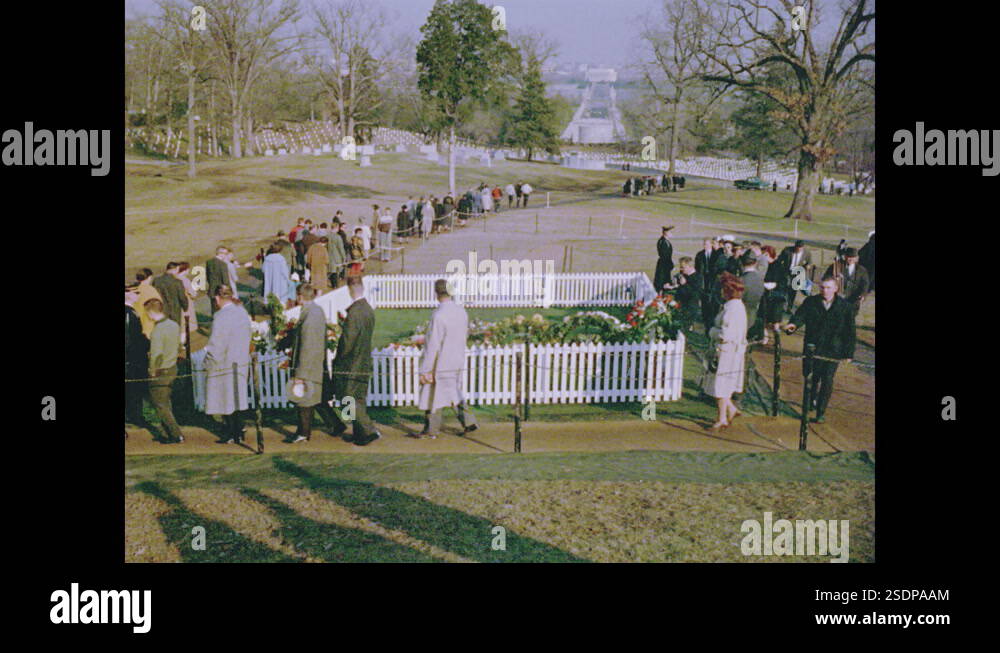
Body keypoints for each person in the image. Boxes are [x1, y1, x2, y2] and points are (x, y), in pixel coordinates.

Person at [784, 276, 856, 424]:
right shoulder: (811, 302)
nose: (825, 291)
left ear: (836, 289)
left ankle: (820, 412)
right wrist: (793, 325)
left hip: (833, 350)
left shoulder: (846, 307)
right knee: (811, 377)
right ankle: (810, 403)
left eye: (828, 288)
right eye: (822, 287)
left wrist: (848, 354)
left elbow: (850, 332)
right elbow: (800, 316)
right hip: (813, 348)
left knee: (827, 380)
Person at [415, 279, 478, 439]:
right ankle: (468, 421)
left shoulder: (438, 315)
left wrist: (425, 368)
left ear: (436, 294)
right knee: (452, 392)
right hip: (456, 358)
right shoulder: (461, 311)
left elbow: (433, 344)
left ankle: (431, 429)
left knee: (432, 394)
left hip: (440, 360)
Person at [328, 274, 381, 445]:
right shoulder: (368, 310)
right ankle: (359, 433)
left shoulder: (354, 313)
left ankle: (368, 430)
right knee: (358, 398)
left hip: (351, 363)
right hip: (364, 360)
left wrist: (338, 359)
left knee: (346, 398)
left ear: (350, 289)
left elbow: (347, 343)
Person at [287, 283, 341, 442]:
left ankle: (303, 433)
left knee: (304, 399)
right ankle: (337, 425)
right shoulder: (317, 310)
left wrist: (300, 374)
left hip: (309, 365)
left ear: (300, 297)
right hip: (318, 363)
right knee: (319, 399)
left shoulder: (310, 316)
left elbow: (307, 347)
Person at [203, 285, 251, 444]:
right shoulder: (242, 313)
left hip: (224, 363)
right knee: (237, 399)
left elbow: (217, 343)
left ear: (217, 298)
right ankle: (239, 429)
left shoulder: (221, 316)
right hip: (241, 361)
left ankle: (232, 433)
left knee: (226, 400)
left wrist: (208, 362)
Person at [702, 273, 747, 430]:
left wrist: (712, 331)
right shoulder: (734, 306)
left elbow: (726, 335)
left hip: (727, 352)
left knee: (721, 386)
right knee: (723, 384)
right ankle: (731, 410)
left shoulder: (732, 309)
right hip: (730, 351)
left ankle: (722, 418)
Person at [144, 298, 186, 443]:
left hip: (161, 371)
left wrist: (152, 371)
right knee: (167, 403)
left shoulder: (157, 331)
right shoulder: (173, 325)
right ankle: (170, 432)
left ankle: (175, 434)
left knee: (160, 405)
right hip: (173, 368)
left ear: (151, 312)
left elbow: (156, 354)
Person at [125, 284, 149, 428]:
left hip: (133, 357)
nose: (138, 296)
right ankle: (134, 415)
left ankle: (135, 414)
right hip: (131, 358)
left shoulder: (132, 311)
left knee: (134, 388)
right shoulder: (128, 313)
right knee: (132, 388)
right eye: (135, 293)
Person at [824, 247, 870, 319]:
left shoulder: (862, 270)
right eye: (849, 257)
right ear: (845, 257)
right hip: (837, 299)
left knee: (849, 319)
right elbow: (826, 279)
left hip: (853, 299)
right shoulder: (836, 267)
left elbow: (865, 285)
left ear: (857, 258)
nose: (850, 259)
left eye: (853, 257)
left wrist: (862, 295)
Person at [666, 257, 702, 330]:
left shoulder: (698, 277)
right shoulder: (683, 275)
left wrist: (684, 284)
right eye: (680, 267)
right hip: (680, 306)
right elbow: (679, 287)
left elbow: (694, 294)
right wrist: (671, 286)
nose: (681, 269)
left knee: (685, 330)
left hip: (690, 308)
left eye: (683, 267)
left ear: (690, 267)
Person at [152, 262, 189, 329]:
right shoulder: (177, 282)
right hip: (175, 311)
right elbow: (182, 298)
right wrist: (185, 308)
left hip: (161, 311)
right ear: (174, 270)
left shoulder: (156, 280)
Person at [739, 251, 765, 341]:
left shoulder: (740, 280)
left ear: (741, 263)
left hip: (739, 316)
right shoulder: (760, 279)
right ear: (755, 263)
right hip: (753, 315)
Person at [263, 242, 294, 307]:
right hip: (280, 282)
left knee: (270, 296)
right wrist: (289, 281)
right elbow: (285, 272)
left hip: (270, 281)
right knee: (281, 299)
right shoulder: (281, 259)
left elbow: (263, 270)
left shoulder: (267, 259)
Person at [134, 268, 163, 337]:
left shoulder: (133, 290)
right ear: (149, 277)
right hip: (148, 324)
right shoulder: (151, 290)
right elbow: (159, 306)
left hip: (136, 324)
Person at [175, 262, 199, 343]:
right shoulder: (185, 280)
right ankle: (182, 343)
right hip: (185, 304)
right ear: (185, 270)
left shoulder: (173, 278)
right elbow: (193, 293)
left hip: (175, 304)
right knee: (184, 326)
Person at [205, 246, 230, 312]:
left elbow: (207, 276)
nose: (226, 256)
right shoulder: (223, 264)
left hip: (212, 290)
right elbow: (225, 280)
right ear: (221, 253)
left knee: (214, 310)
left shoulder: (209, 262)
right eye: (226, 254)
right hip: (221, 292)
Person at [653, 226, 675, 292]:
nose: (671, 233)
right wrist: (670, 264)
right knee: (662, 282)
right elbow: (665, 256)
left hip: (666, 265)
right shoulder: (662, 242)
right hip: (663, 265)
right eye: (670, 232)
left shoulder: (667, 242)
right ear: (666, 233)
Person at [326, 220, 347, 288]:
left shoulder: (327, 236)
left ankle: (333, 285)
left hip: (328, 255)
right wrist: (344, 257)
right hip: (336, 256)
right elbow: (341, 248)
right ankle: (336, 286)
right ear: (336, 228)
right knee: (336, 271)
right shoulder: (338, 237)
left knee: (331, 270)